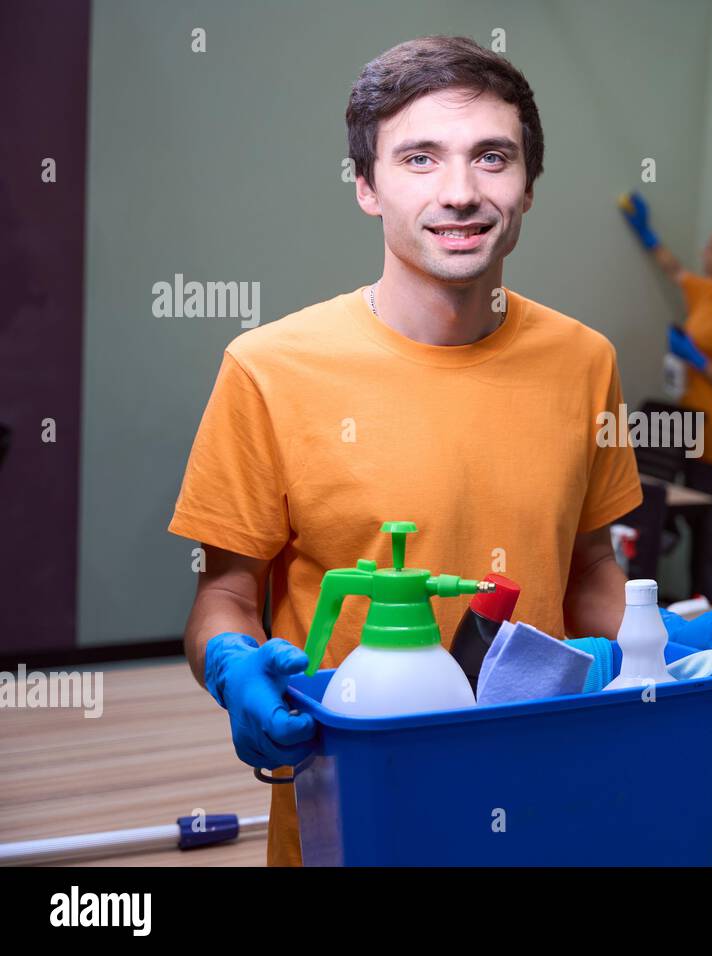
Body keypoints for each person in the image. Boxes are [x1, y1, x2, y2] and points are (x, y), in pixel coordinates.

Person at [168, 35, 653, 867]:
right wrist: (231, 669)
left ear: (528, 185)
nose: (460, 193)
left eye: (491, 157)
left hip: (544, 790)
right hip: (354, 806)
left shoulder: (586, 360)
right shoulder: (268, 369)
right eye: (419, 159)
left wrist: (660, 643)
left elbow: (590, 569)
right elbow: (226, 593)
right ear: (366, 185)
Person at [619, 193, 712, 602]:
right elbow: (674, 270)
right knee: (698, 525)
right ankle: (699, 605)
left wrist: (695, 358)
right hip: (693, 429)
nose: (704, 251)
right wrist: (647, 235)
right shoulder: (707, 294)